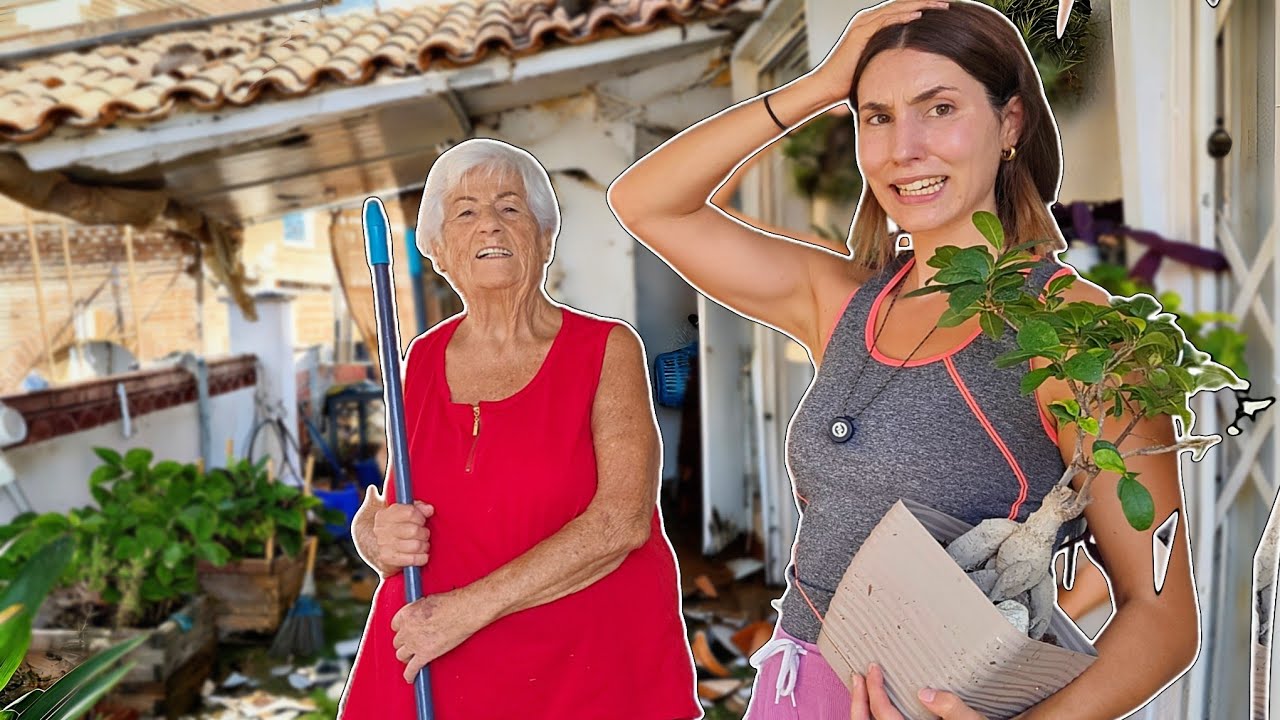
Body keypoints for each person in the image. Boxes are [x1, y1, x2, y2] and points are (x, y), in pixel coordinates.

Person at [607, 1, 1199, 718]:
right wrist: (819, 86)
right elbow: (645, 202)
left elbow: (1163, 621)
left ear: (1010, 123)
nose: (901, 149)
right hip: (797, 691)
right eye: (876, 116)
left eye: (939, 107)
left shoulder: (1074, 335)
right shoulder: (846, 303)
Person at [339, 138, 700, 720]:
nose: (489, 226)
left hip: (584, 668)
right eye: (466, 212)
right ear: (438, 249)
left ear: (544, 236)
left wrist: (464, 611)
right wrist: (376, 538)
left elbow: (620, 524)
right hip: (443, 664)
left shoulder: (606, 351)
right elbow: (402, 514)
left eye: (510, 207)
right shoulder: (422, 359)